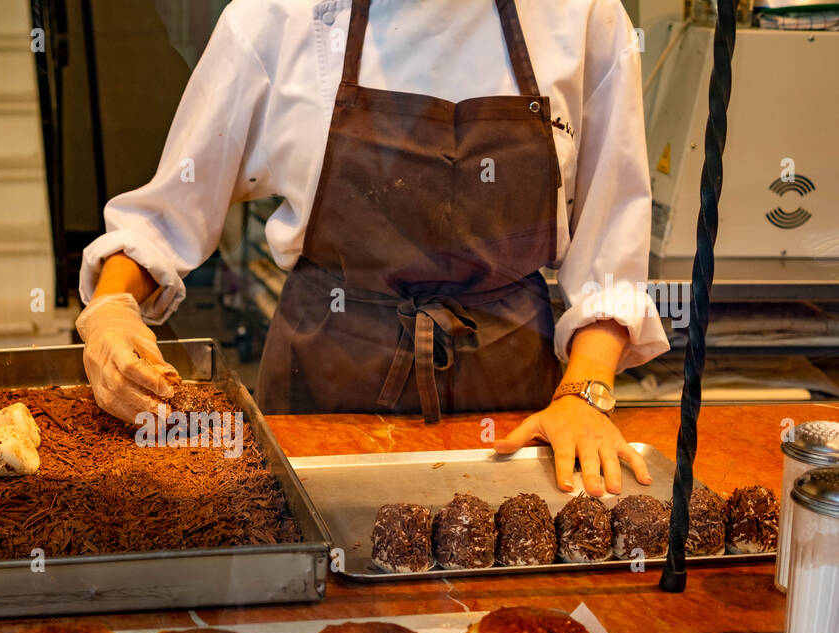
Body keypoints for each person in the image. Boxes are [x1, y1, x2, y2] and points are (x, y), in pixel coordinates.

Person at [76, 0, 669, 497]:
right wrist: (111, 308)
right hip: (324, 396)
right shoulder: (276, 18)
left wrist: (585, 393)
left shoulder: (583, 15)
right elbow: (166, 217)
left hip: (517, 413)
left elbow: (611, 243)